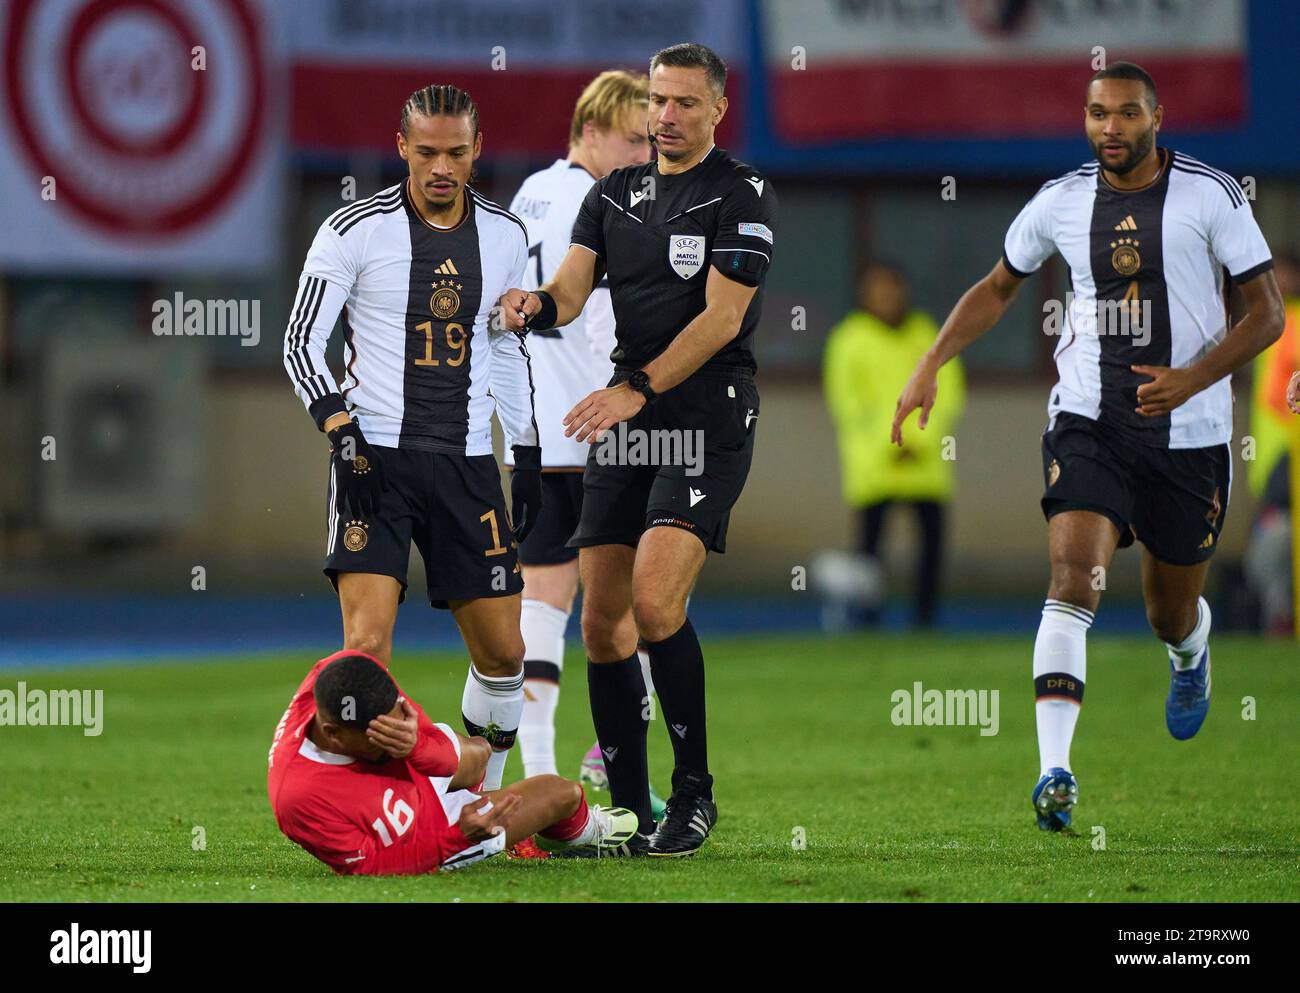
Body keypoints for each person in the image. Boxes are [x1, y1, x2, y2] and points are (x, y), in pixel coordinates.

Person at [892, 63, 1284, 831]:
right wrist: (930, 361)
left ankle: (1191, 647)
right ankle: (1055, 771)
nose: (1112, 128)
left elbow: (1266, 315)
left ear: (1157, 116)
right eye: (1099, 114)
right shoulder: (1062, 199)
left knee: (1166, 613)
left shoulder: (1212, 194)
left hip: (1191, 433)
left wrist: (1192, 377)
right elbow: (999, 285)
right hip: (1088, 419)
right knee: (1074, 576)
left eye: (1128, 114)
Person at [499, 43, 778, 857]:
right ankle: (626, 811)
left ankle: (693, 792)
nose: (665, 116)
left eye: (685, 103)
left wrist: (637, 390)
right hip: (630, 417)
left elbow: (723, 319)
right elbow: (574, 290)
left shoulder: (743, 193)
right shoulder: (615, 194)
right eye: (658, 100)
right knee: (602, 626)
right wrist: (535, 304)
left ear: (718, 109)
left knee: (656, 605)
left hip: (705, 415)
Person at [282, 84, 543, 796]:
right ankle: (366, 806)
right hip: (374, 462)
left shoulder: (507, 235)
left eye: (455, 152)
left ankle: (473, 800)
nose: (440, 166)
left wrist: (526, 450)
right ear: (401, 147)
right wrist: (339, 430)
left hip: (466, 465)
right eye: (425, 151)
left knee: (504, 653)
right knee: (365, 651)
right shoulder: (352, 229)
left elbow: (510, 348)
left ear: (476, 150)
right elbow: (301, 339)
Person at [505, 70, 663, 818]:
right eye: (633, 138)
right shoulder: (606, 204)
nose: (643, 154)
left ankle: (540, 776)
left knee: (544, 601)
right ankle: (611, 762)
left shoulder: (525, 197)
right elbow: (607, 319)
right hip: (604, 429)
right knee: (640, 605)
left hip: (538, 435)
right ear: (591, 128)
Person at [267, 650, 638, 874]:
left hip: (422, 777)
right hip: (434, 833)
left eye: (397, 718)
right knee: (564, 794)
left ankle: (529, 824)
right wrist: (459, 836)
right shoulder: (298, 796)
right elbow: (372, 867)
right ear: (333, 735)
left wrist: (414, 747)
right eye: (380, 738)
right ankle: (587, 834)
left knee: (479, 752)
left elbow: (417, 727)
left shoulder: (348, 674)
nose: (393, 734)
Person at [824, 261, 965, 627]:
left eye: (892, 287)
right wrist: (891, 445)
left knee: (931, 546)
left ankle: (925, 620)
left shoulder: (928, 335)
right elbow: (847, 404)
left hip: (925, 464)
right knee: (869, 550)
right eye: (877, 288)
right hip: (875, 466)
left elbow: (949, 394)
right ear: (863, 294)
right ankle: (868, 620)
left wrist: (919, 440)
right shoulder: (848, 339)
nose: (886, 296)